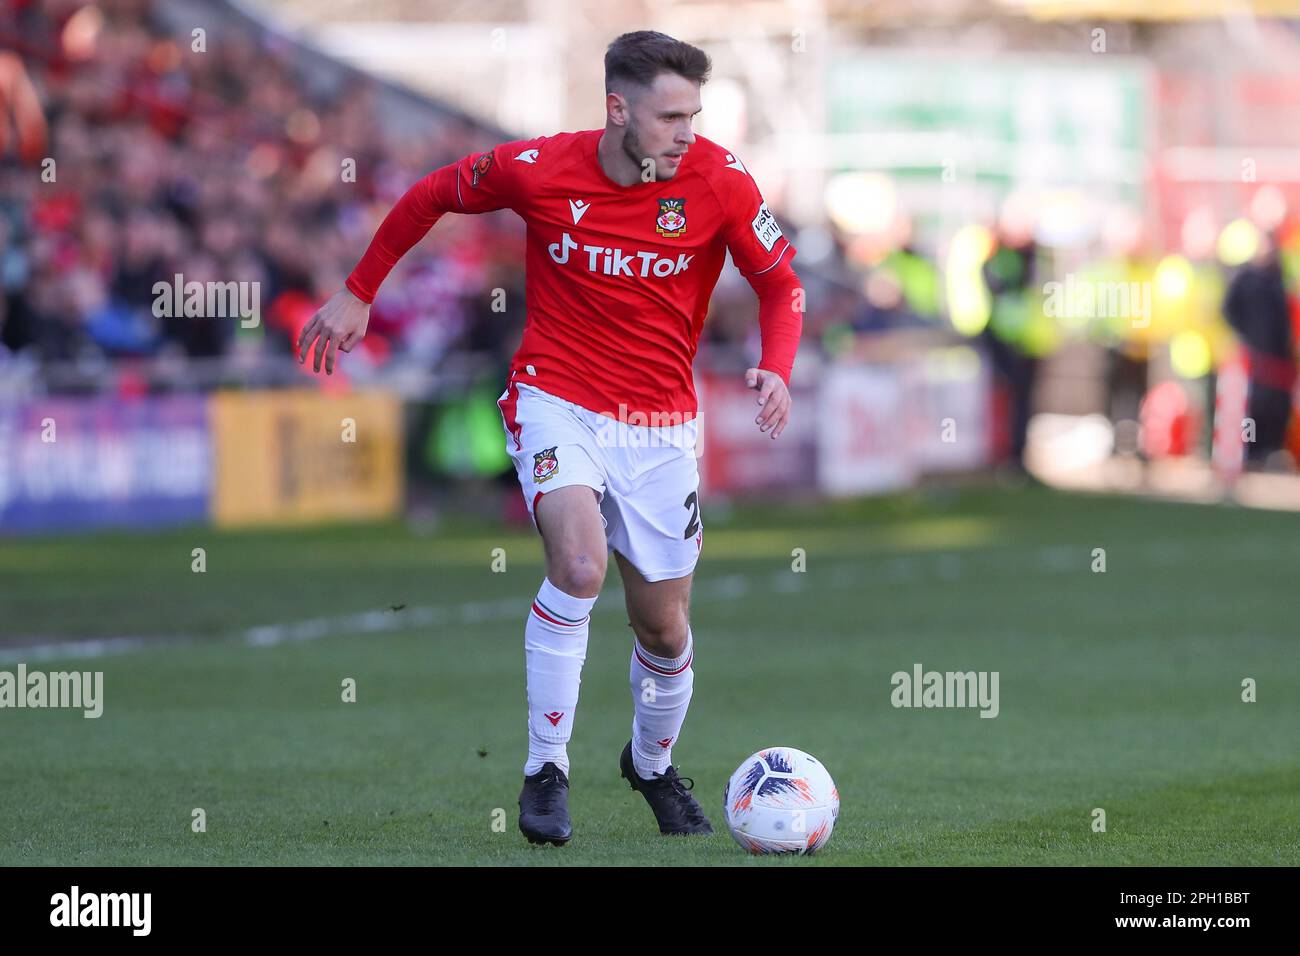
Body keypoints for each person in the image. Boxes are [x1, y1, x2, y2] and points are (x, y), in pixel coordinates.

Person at [296, 31, 803, 845]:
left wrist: (776, 365)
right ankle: (545, 769)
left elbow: (782, 284)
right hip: (556, 398)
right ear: (617, 108)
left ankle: (650, 762)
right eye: (670, 116)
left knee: (663, 629)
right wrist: (359, 291)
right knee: (577, 564)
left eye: (693, 115)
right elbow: (432, 193)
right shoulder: (538, 169)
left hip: (660, 426)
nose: (686, 132)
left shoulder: (721, 180)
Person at [1223, 233, 1296, 468]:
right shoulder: (1245, 280)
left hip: (1278, 362)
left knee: (1275, 408)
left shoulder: (1280, 280)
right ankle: (1248, 450)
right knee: (1250, 409)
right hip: (1254, 359)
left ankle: (1270, 449)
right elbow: (1229, 311)